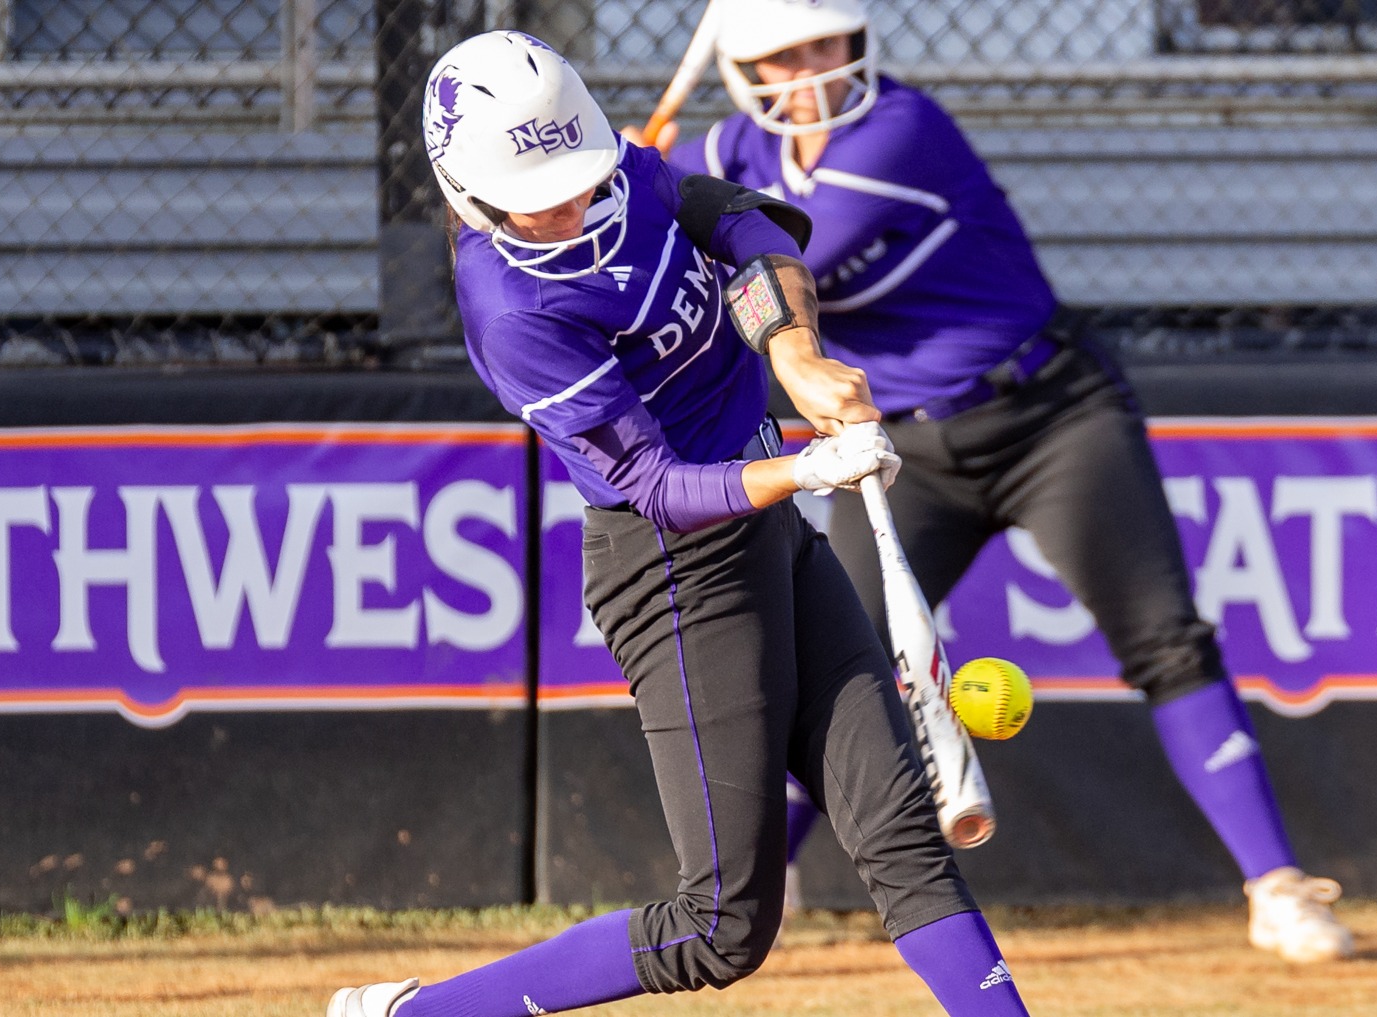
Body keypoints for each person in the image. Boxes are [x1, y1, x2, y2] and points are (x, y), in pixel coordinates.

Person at [327, 30, 1034, 1017]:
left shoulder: (620, 172)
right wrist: (802, 466)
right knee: (719, 928)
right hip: (675, 575)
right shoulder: (514, 313)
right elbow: (655, 486)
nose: (573, 202)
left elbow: (746, 224)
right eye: (542, 195)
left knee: (904, 840)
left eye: (578, 174)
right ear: (468, 193)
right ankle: (419, 1015)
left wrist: (792, 354)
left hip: (773, 535)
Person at [642, 0, 1355, 964]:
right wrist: (656, 195)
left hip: (1050, 415)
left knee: (1165, 640)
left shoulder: (902, 130)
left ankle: (1278, 888)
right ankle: (762, 888)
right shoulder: (731, 155)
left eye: (824, 45)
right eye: (781, 56)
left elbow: (791, 261)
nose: (809, 70)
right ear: (746, 73)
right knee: (837, 671)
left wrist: (668, 217)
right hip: (900, 452)